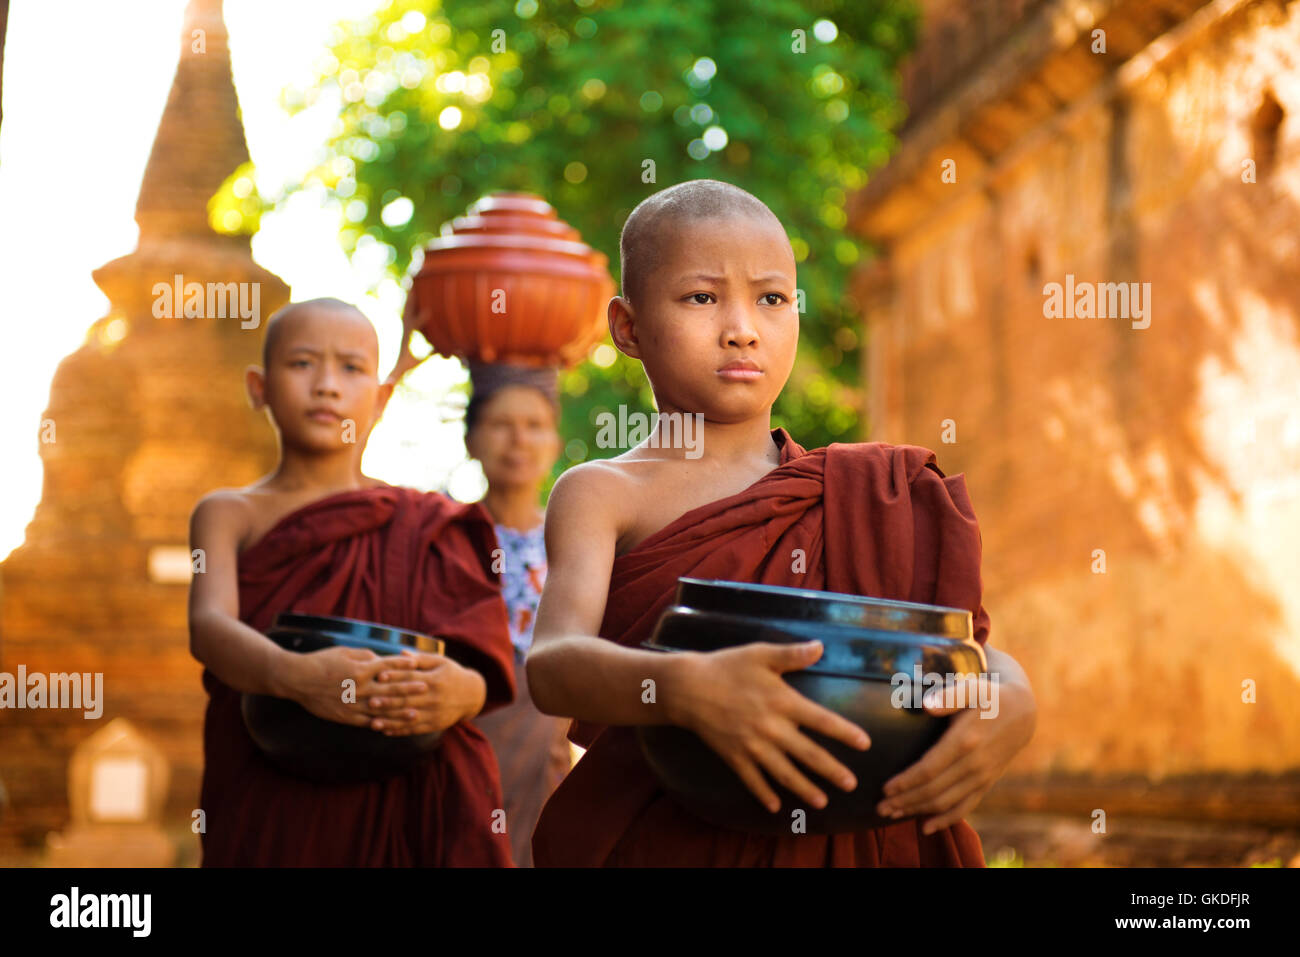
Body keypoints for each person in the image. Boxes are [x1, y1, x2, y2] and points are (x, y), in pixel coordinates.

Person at [526, 180, 1038, 867]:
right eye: (701, 297)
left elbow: (942, 645)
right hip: (676, 841)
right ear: (628, 326)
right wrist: (682, 688)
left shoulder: (869, 491)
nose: (742, 326)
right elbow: (554, 664)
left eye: (771, 298)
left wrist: (1012, 690)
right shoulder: (604, 492)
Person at [188, 297, 516, 867]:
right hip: (270, 791)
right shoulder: (228, 513)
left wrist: (463, 692)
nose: (326, 386)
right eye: (301, 364)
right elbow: (208, 627)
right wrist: (295, 677)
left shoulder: (425, 522)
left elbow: (480, 661)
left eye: (351, 368)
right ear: (257, 387)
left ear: (381, 398)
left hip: (408, 790)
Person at [461, 360, 573, 868]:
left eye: (534, 426)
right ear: (471, 440)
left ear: (554, 441)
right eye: (501, 425)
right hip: (467, 727)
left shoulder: (573, 541)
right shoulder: (443, 534)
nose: (518, 440)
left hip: (544, 734)